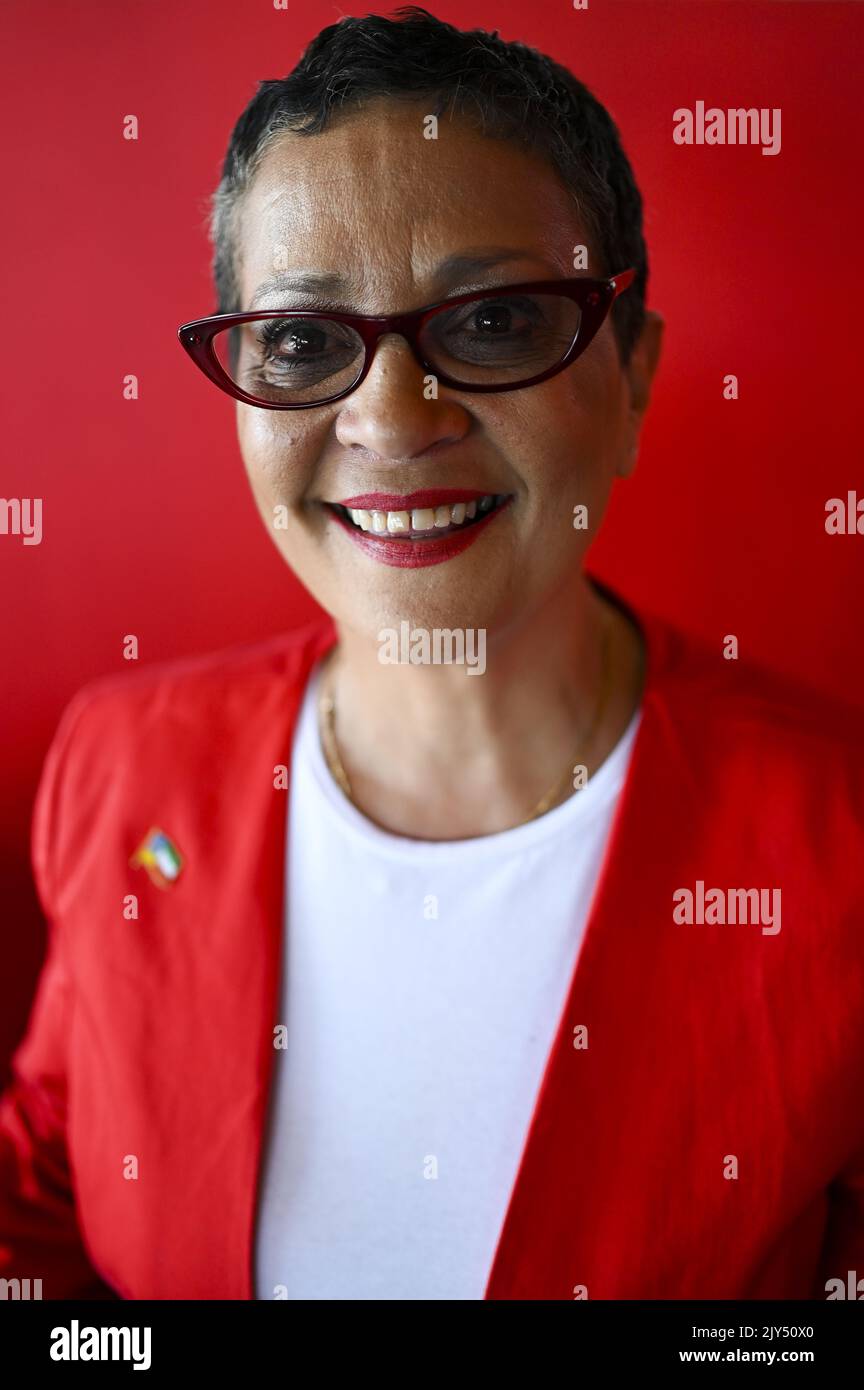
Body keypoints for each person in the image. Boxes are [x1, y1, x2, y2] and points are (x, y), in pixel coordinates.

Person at [1, 6, 862, 1302]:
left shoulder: (838, 838)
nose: (392, 418)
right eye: (300, 339)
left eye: (498, 321)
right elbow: (45, 1203)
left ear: (633, 379)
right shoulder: (124, 767)